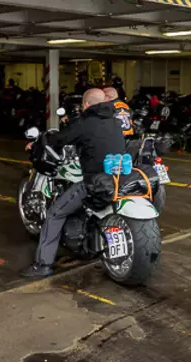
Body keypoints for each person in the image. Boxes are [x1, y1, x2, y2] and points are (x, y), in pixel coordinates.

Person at [23, 88, 127, 278]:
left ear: (86, 105)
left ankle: (42, 265)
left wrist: (42, 140)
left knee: (54, 214)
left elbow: (60, 139)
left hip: (93, 182)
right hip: (118, 179)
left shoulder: (85, 123)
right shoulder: (115, 121)